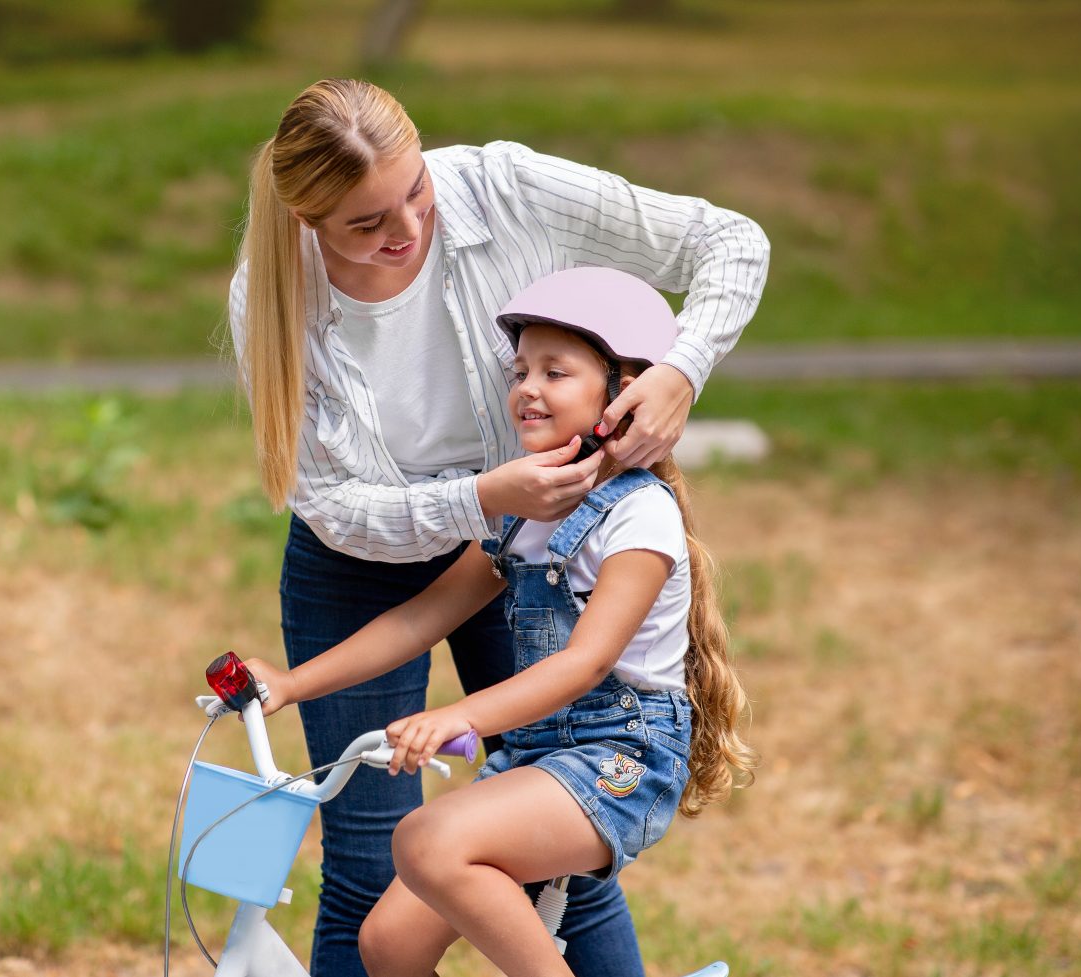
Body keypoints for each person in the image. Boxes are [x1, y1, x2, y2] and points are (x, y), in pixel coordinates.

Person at [228, 78, 768, 977]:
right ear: (305, 217)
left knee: (528, 865)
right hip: (391, 549)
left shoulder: (625, 520)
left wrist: (680, 368)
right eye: (365, 224)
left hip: (558, 590)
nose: (406, 228)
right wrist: (291, 683)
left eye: (415, 192)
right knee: (374, 896)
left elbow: (733, 241)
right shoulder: (275, 294)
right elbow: (339, 514)